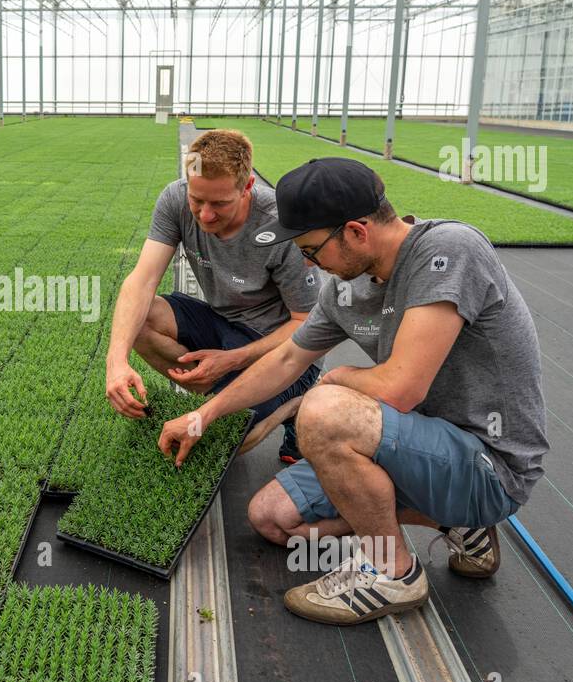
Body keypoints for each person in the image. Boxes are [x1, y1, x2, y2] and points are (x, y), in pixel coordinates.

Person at [156, 156, 549, 626]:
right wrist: (205, 415)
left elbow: (401, 388)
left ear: (357, 232)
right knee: (272, 518)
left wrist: (331, 384)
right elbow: (285, 360)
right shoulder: (345, 289)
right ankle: (453, 520)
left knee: (325, 410)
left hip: (487, 464)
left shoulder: (449, 251)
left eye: (311, 249)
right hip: (415, 445)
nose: (307, 262)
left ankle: (393, 573)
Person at [105, 129, 320, 463]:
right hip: (224, 322)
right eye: (197, 200)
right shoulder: (174, 198)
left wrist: (234, 360)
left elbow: (306, 323)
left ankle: (297, 402)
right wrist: (115, 361)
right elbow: (140, 282)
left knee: (237, 433)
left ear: (248, 187)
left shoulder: (279, 225)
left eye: (220, 203)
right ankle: (221, 398)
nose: (205, 215)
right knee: (141, 317)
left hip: (282, 348)